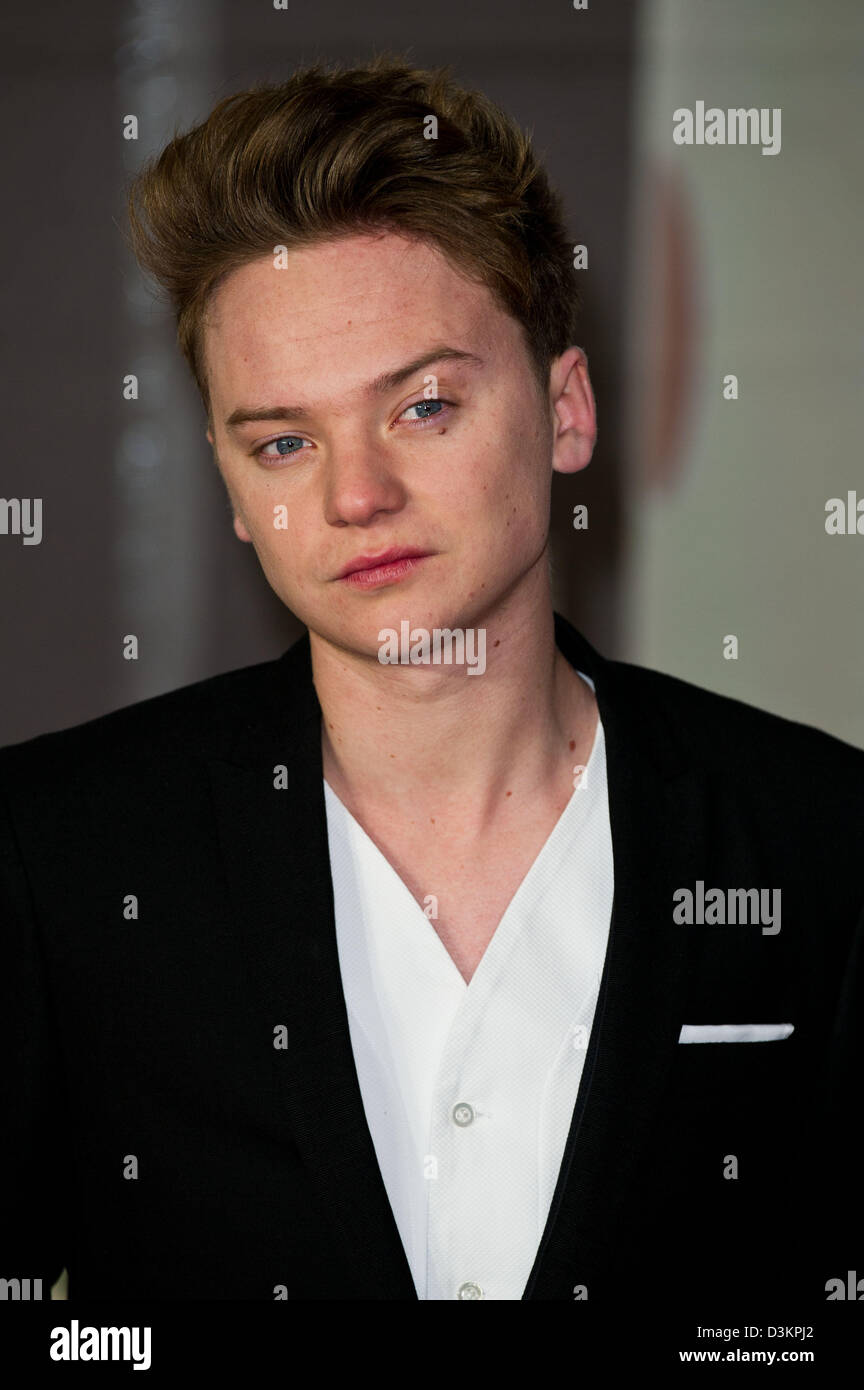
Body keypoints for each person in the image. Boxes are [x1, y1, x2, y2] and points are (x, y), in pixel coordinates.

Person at [1, 56, 861, 1307]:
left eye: (423, 406)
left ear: (566, 411)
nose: (355, 495)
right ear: (233, 491)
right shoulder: (55, 856)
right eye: (284, 441)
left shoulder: (822, 841)